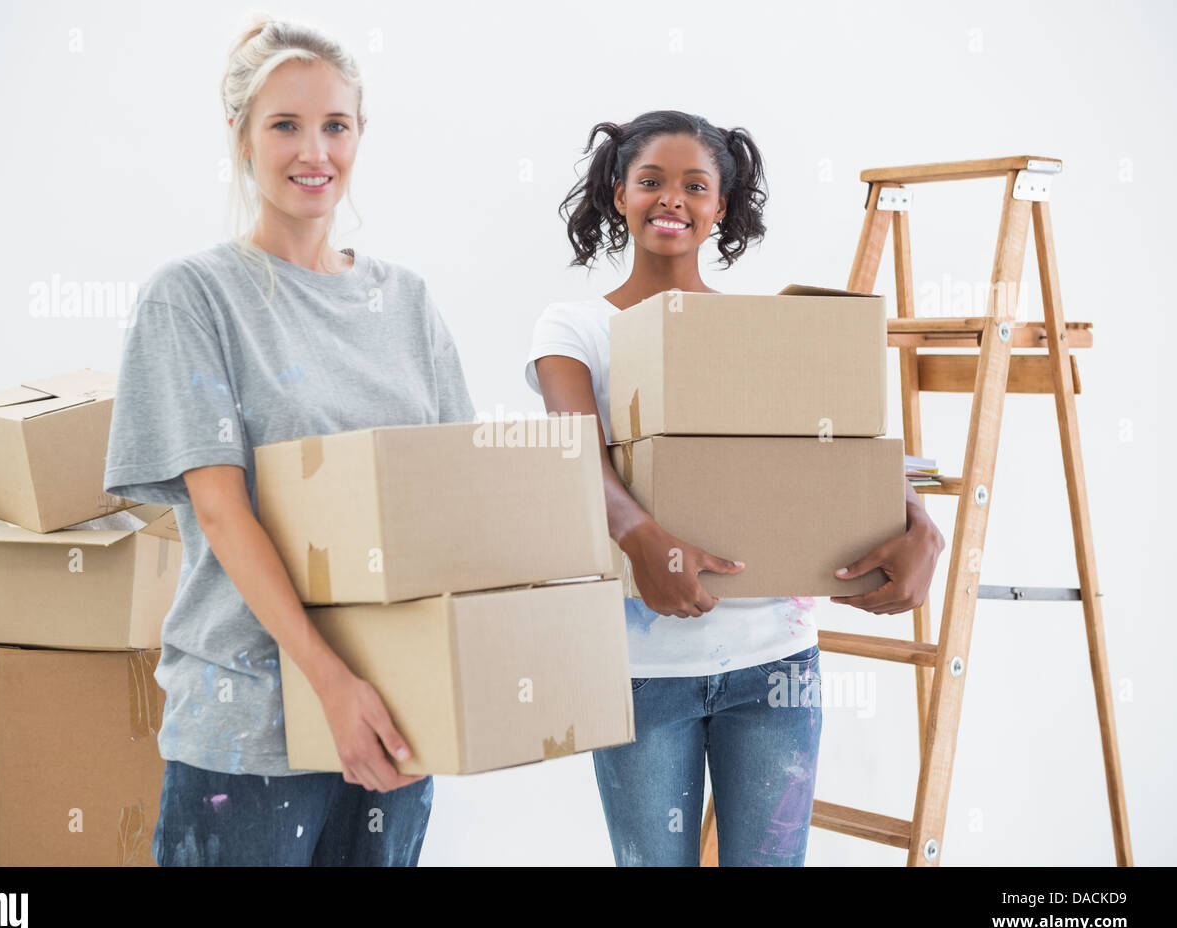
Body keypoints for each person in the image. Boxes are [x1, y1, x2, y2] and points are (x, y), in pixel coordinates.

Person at [103, 16, 475, 866]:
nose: (315, 151)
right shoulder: (194, 297)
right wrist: (330, 684)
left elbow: (455, 503)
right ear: (240, 138)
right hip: (251, 729)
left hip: (395, 722)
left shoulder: (407, 304)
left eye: (335, 126)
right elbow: (225, 515)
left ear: (360, 135)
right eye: (285, 125)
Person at [526, 110, 945, 866]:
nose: (671, 200)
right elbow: (571, 453)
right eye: (650, 181)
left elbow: (835, 448)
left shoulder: (761, 328)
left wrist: (919, 523)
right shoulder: (577, 325)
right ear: (618, 192)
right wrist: (643, 536)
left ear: (722, 204)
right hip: (640, 671)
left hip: (775, 661)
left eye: (695, 185)